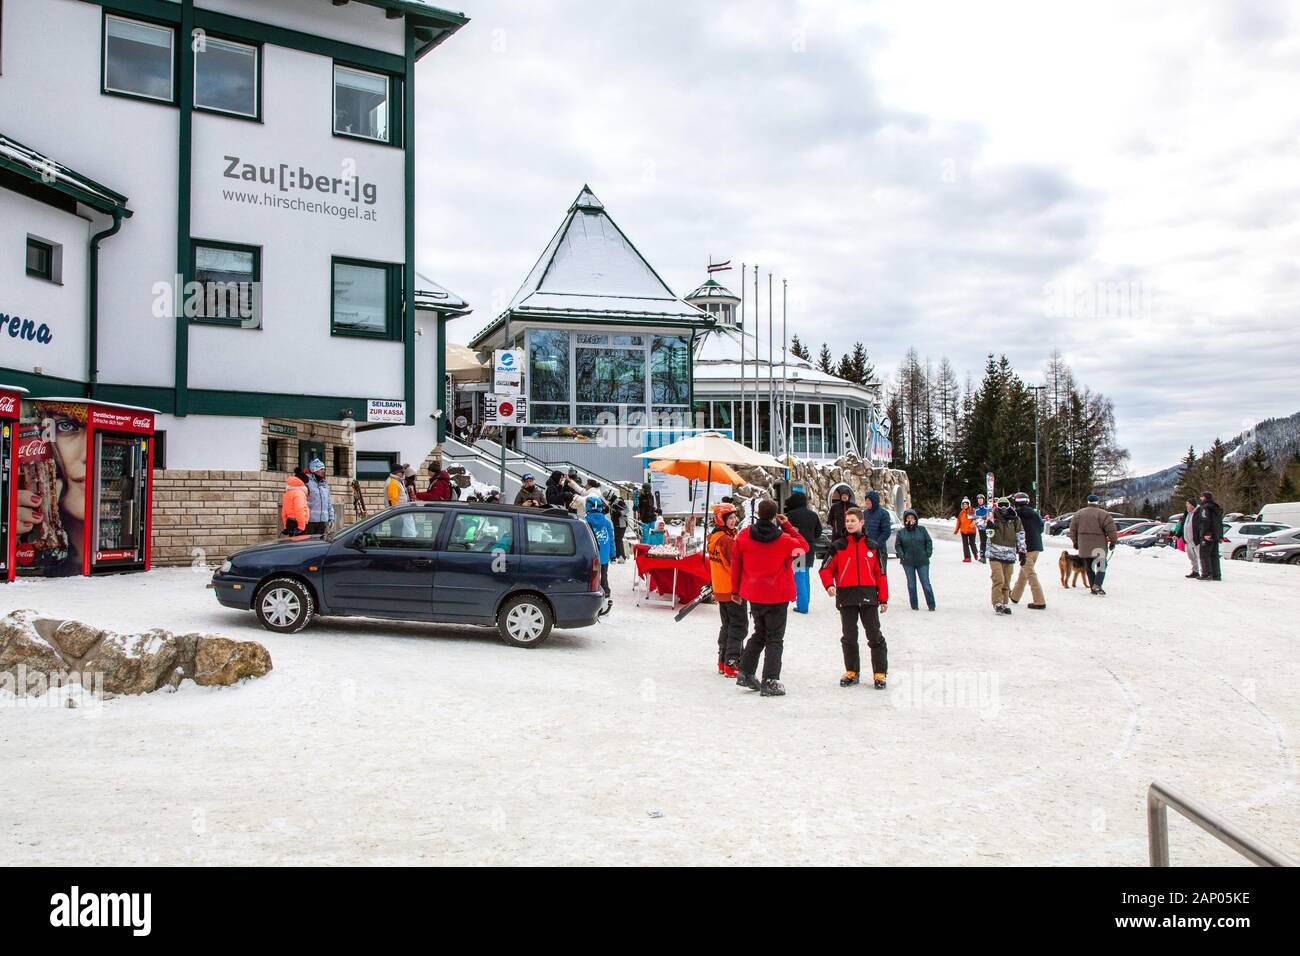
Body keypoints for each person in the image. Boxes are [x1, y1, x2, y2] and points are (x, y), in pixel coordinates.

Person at [731, 498, 808, 697]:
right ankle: (770, 679)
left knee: (759, 633)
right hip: (777, 594)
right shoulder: (783, 540)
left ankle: (746, 673)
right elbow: (803, 547)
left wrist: (735, 590)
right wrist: (787, 525)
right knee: (775, 638)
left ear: (757, 512)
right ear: (774, 516)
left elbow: (736, 564)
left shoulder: (744, 535)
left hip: (754, 593)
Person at [819, 506, 890, 688]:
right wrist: (829, 585)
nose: (849, 524)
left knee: (874, 635)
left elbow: (881, 574)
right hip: (846, 596)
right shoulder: (838, 546)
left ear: (861, 522)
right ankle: (852, 671)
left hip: (868, 597)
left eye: (853, 521)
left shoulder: (872, 546)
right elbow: (825, 569)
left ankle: (880, 673)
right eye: (847, 521)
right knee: (849, 637)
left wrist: (883, 598)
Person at [707, 502, 746, 678]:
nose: (733, 520)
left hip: (720, 589)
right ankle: (732, 662)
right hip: (733, 590)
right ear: (720, 520)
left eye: (734, 517)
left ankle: (723, 660)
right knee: (739, 627)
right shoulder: (727, 541)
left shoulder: (714, 538)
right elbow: (737, 564)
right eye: (729, 517)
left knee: (727, 625)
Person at [1068, 494, 1119, 595]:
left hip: (1084, 545)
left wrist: (1075, 542)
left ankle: (1093, 587)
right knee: (1102, 566)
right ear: (1097, 502)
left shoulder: (1078, 514)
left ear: (1088, 502)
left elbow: (1072, 530)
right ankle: (1097, 585)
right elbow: (1111, 530)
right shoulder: (1103, 514)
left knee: (1089, 567)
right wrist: (1113, 542)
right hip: (1099, 545)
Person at [782, 485, 822, 614]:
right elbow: (818, 532)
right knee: (805, 576)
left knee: (799, 577)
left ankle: (803, 606)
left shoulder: (791, 515)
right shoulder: (813, 515)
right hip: (810, 548)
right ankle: (806, 602)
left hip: (797, 549)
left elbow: (785, 531)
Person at [986, 496, 1025, 614]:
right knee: (998, 579)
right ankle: (997, 602)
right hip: (995, 553)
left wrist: (1022, 551)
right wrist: (988, 524)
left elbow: (1020, 534)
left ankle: (1004, 603)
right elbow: (981, 526)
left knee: (1007, 581)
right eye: (1000, 505)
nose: (1003, 508)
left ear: (1009, 507)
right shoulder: (992, 517)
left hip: (1009, 554)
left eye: (1005, 505)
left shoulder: (1015, 519)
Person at [1009, 491, 1047, 609]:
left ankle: (1039, 601)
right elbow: (1041, 527)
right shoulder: (1034, 513)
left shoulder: (1015, 515)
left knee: (1030, 573)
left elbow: (1012, 530)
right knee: (1024, 572)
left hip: (1024, 548)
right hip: (1036, 546)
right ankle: (1015, 595)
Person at [893, 509, 935, 611]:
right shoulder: (901, 532)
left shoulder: (922, 530)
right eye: (908, 518)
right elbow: (898, 545)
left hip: (922, 561)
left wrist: (928, 553)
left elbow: (929, 542)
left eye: (912, 518)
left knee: (926, 584)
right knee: (911, 584)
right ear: (905, 520)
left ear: (915, 519)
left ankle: (931, 605)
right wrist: (902, 555)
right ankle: (914, 605)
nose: (910, 520)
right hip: (908, 562)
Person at [584, 493, 615, 615]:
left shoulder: (585, 521)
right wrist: (613, 554)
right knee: (604, 578)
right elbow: (611, 539)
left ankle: (590, 604)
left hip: (590, 557)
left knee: (591, 580)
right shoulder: (607, 522)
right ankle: (605, 601)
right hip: (604, 557)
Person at [1193, 490, 1224, 582]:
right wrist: (1220, 535)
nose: (1200, 498)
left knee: (1204, 554)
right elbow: (1220, 523)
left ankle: (1206, 573)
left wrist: (1205, 533)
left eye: (1201, 497)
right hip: (1216, 535)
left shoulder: (1205, 508)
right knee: (1214, 555)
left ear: (1205, 498)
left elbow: (1205, 521)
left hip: (1208, 535)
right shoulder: (1216, 508)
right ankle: (1216, 574)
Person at [862, 489, 892, 572]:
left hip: (879, 550)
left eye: (868, 500)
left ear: (874, 501)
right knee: (868, 575)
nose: (867, 502)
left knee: (880, 574)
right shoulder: (864, 513)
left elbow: (886, 532)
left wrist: (876, 544)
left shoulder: (883, 513)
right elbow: (862, 530)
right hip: (866, 550)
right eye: (866, 500)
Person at [303, 458, 334, 535]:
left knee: (320, 544)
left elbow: (329, 503)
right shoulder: (307, 483)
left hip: (323, 521)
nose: (323, 471)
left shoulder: (324, 484)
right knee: (309, 543)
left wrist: (331, 518)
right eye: (321, 469)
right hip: (310, 522)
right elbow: (302, 502)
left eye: (324, 469)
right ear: (314, 470)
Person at [1172, 498, 1201, 578]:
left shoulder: (1198, 512)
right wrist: (1177, 535)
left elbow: (1201, 525)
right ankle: (1195, 571)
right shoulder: (1187, 513)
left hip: (1196, 539)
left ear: (1192, 505)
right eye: (1186, 504)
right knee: (1191, 557)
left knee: (1200, 556)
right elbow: (1182, 526)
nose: (1186, 506)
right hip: (1187, 539)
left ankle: (1205, 572)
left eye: (1188, 504)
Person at [607, 489, 630, 562]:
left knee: (619, 539)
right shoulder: (611, 502)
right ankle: (618, 555)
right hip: (616, 523)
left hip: (621, 523)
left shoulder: (618, 501)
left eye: (607, 497)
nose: (607, 499)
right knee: (617, 539)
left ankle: (622, 556)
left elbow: (627, 509)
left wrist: (619, 513)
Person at [954, 497, 978, 562]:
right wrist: (956, 530)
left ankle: (975, 553)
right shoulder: (961, 513)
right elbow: (958, 522)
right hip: (963, 531)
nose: (965, 505)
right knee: (965, 544)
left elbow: (975, 519)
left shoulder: (972, 510)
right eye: (963, 504)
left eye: (966, 504)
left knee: (972, 543)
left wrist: (972, 525)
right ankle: (967, 557)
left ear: (968, 504)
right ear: (962, 505)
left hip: (971, 530)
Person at [973, 493, 992, 563]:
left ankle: (991, 556)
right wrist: (981, 519)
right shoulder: (976, 510)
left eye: (981, 500)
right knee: (983, 542)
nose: (980, 501)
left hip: (989, 527)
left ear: (983, 500)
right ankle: (983, 556)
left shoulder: (988, 507)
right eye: (979, 500)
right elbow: (975, 519)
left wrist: (987, 518)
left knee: (990, 542)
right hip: (981, 528)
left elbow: (990, 516)